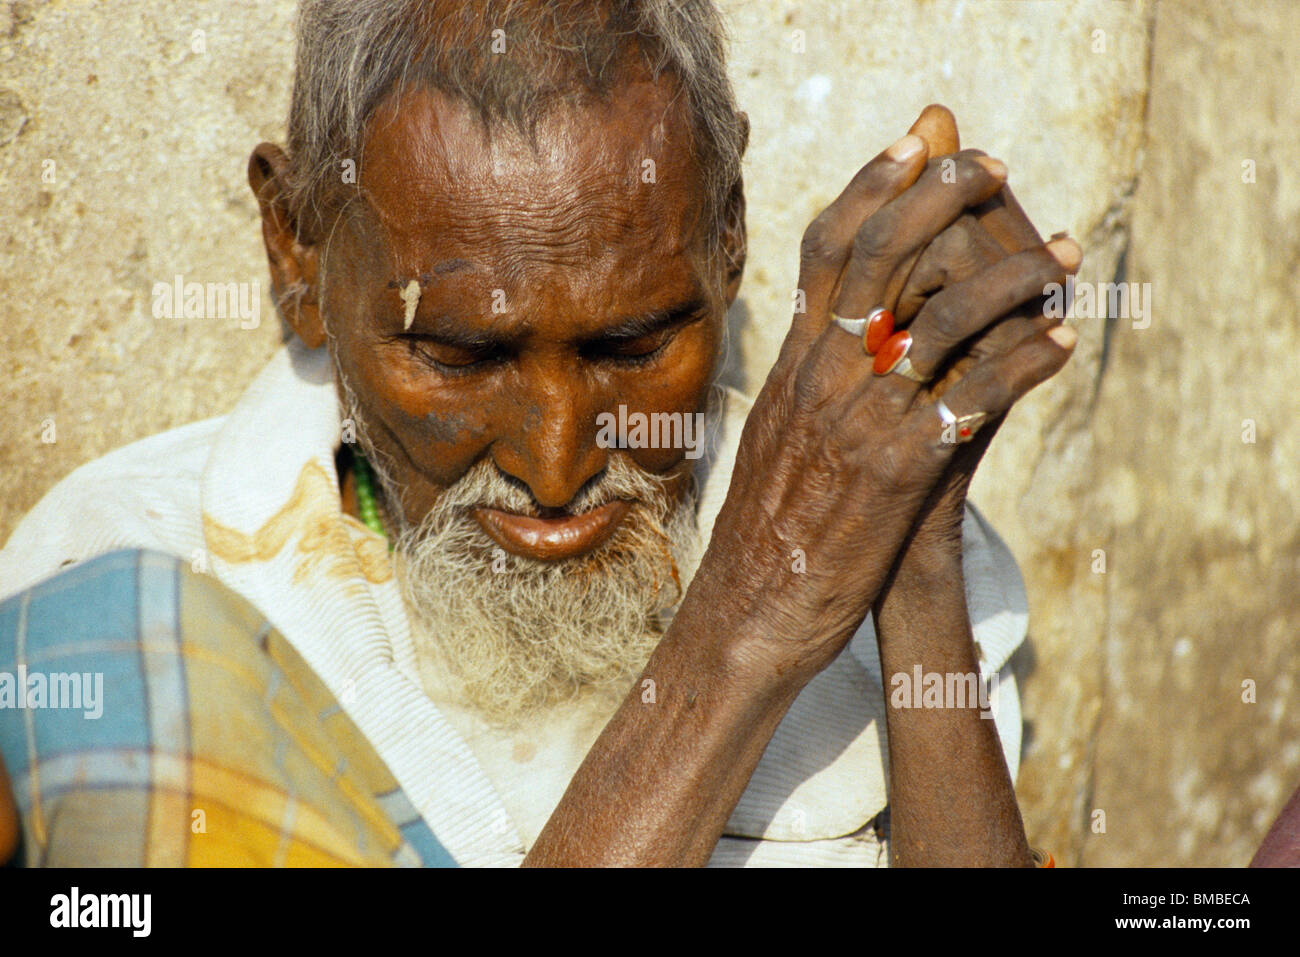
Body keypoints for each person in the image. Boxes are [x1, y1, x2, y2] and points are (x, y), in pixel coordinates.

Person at [0, 0, 1079, 866]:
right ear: (295, 248)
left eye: (632, 346)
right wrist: (749, 622)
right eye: (461, 359)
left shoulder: (868, 555)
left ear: (730, 225)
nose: (556, 464)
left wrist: (917, 547)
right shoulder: (125, 601)